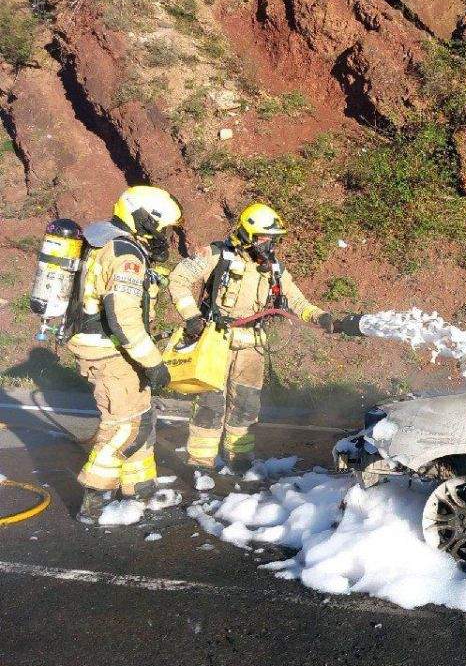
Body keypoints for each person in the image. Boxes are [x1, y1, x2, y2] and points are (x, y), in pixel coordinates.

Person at [167, 203, 363, 474]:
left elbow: (296, 300)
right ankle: (200, 464)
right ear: (246, 234)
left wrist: (321, 317)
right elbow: (179, 279)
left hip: (253, 344)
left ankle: (239, 460)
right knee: (210, 403)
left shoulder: (274, 268)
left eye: (272, 238)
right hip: (216, 339)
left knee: (246, 405)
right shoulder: (216, 254)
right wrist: (191, 316)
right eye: (262, 237)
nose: (267, 243)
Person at [69, 185, 183, 521]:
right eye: (160, 227)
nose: (164, 235)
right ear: (144, 219)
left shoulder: (107, 241)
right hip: (110, 352)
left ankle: (140, 489)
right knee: (122, 426)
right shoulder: (125, 254)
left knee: (142, 416)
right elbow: (123, 316)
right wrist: (153, 362)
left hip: (115, 350)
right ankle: (95, 500)